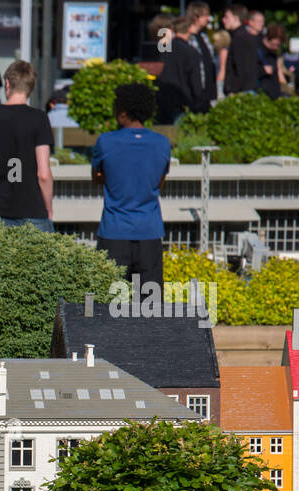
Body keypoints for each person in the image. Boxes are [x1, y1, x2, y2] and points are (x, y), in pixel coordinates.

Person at [91, 84, 172, 289]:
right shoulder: (162, 143)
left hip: (114, 231)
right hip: (149, 232)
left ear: (123, 112)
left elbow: (97, 177)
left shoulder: (106, 142)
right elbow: (159, 183)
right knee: (149, 309)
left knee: (108, 308)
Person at [0, 60, 53, 230]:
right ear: (30, 88)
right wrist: (49, 208)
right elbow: (43, 174)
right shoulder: (39, 119)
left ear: (7, 83)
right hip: (33, 210)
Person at [156, 16, 207, 122]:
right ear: (189, 28)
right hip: (183, 101)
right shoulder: (191, 52)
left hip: (164, 99)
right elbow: (196, 82)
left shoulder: (165, 49)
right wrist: (199, 102)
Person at [219, 5, 261, 95]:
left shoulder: (239, 38)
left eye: (226, 17)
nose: (223, 20)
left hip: (241, 91)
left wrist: (233, 91)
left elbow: (242, 68)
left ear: (236, 18)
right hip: (245, 89)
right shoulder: (243, 36)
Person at [185, 2, 217, 107]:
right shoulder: (187, 38)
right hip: (195, 91)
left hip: (208, 90)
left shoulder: (204, 36)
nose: (208, 18)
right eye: (205, 15)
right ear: (195, 17)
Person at [259, 23, 288, 99]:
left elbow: (278, 73)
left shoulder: (273, 54)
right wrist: (263, 70)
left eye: (278, 45)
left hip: (275, 94)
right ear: (268, 38)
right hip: (262, 94)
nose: (276, 47)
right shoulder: (257, 50)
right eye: (275, 44)